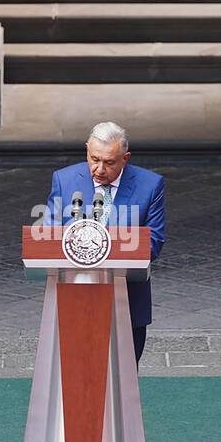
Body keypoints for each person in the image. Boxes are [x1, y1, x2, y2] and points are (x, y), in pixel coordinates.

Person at [46, 122, 166, 362]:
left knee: (124, 379)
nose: (99, 169)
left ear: (125, 158)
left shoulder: (150, 185)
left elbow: (153, 242)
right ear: (86, 151)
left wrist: (101, 248)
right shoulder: (64, 180)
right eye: (94, 159)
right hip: (76, 297)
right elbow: (50, 236)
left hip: (128, 300)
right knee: (77, 375)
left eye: (109, 162)